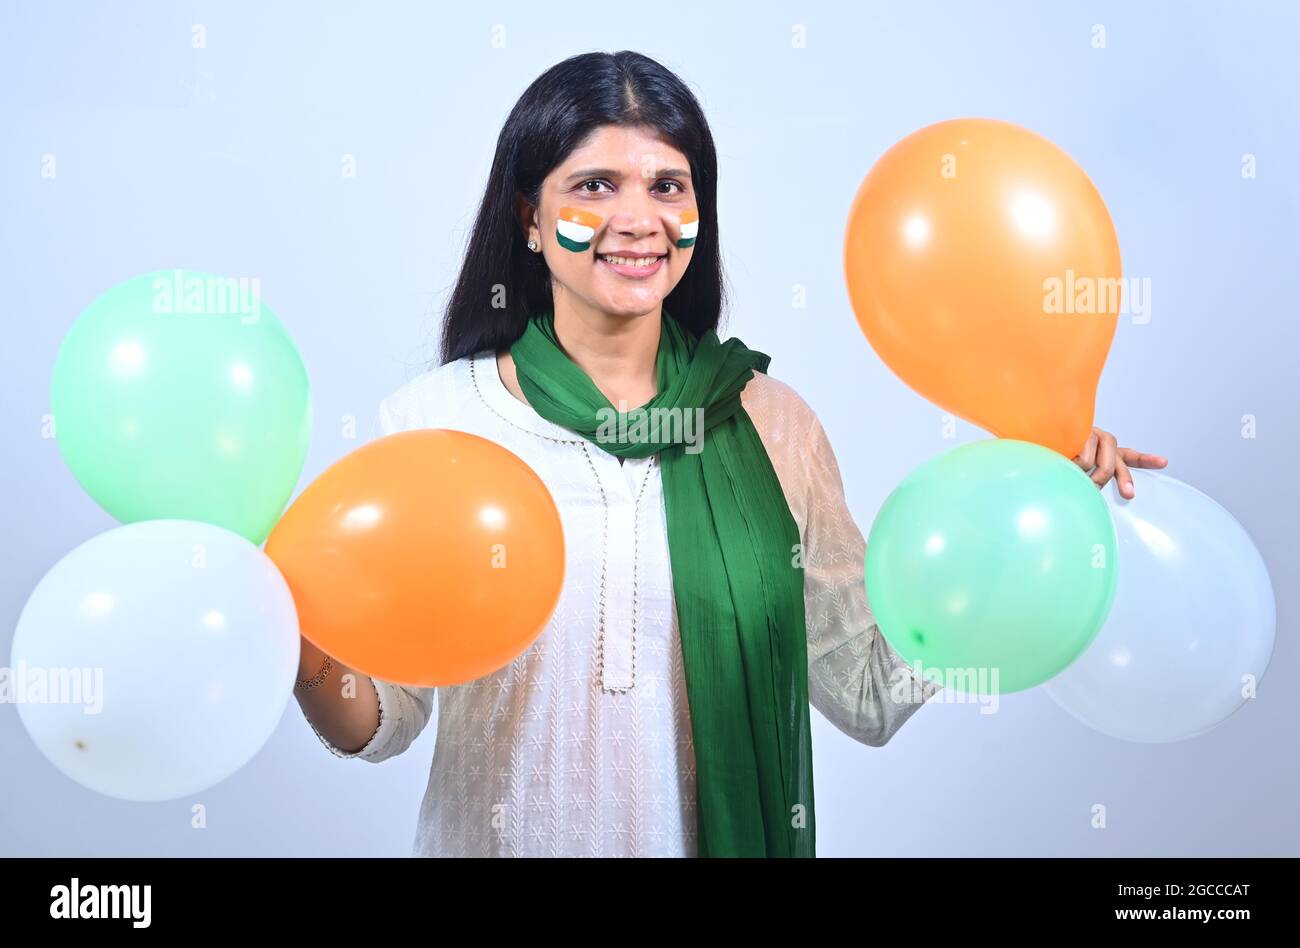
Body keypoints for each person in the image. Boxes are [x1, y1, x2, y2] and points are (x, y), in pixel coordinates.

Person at [294, 50, 1167, 858]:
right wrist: (297, 646)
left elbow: (863, 686)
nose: (637, 220)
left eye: (668, 186)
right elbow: (386, 715)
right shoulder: (440, 421)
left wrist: (1017, 511)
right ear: (530, 215)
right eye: (595, 185)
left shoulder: (775, 426)